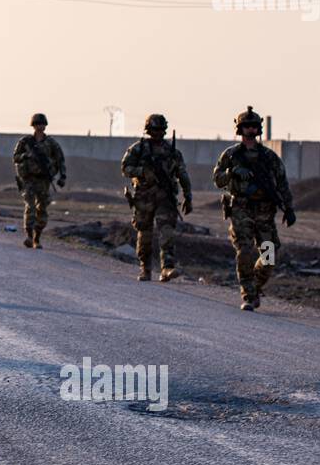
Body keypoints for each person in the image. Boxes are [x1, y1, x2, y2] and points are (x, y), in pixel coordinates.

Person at [212, 105, 296, 311]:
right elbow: (218, 180)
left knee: (269, 255)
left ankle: (255, 286)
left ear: (258, 130)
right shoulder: (231, 155)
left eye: (253, 126)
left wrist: (289, 208)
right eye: (246, 126)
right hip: (241, 210)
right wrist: (232, 172)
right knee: (245, 251)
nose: (250, 130)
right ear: (240, 129)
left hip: (265, 212)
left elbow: (282, 183)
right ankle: (248, 294)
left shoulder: (269, 157)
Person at [121, 114, 193, 282]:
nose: (158, 133)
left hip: (165, 198)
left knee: (166, 232)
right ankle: (145, 268)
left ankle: (167, 267)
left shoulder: (172, 152)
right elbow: (125, 168)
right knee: (144, 234)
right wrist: (142, 172)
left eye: (161, 130)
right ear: (148, 130)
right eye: (155, 130)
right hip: (144, 197)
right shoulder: (138, 149)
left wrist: (188, 196)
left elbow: (182, 174)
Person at [12, 113, 66, 248]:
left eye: (42, 124)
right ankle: (29, 236)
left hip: (43, 181)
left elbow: (60, 160)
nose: (40, 127)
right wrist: (27, 155)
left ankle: (37, 237)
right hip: (28, 179)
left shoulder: (51, 143)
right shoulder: (25, 142)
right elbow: (16, 157)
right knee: (29, 207)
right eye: (37, 124)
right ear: (33, 126)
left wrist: (62, 176)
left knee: (42, 209)